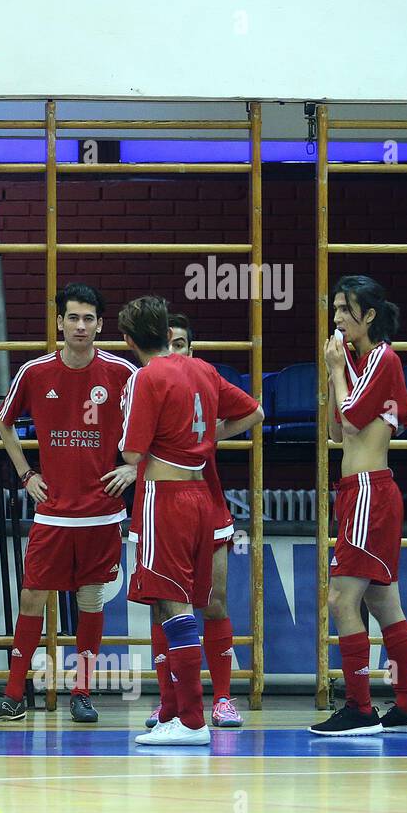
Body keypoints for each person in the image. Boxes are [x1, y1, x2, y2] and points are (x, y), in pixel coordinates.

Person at [0, 284, 135, 724]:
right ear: (59, 321)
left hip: (103, 512)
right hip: (53, 512)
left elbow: (153, 426)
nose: (80, 326)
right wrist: (27, 474)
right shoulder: (35, 372)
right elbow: (4, 424)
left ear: (101, 325)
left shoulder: (123, 373)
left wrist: (133, 468)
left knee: (90, 598)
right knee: (31, 596)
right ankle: (13, 695)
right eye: (73, 318)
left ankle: (82, 690)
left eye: (89, 319)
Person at [312, 275, 407, 735]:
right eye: (336, 310)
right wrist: (333, 373)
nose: (339, 318)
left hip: (368, 490)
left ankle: (360, 708)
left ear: (370, 315)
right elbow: (335, 432)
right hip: (361, 491)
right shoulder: (362, 364)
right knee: (384, 603)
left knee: (341, 599)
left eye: (347, 309)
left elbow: (354, 416)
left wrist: (339, 372)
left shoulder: (383, 358)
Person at [136, 312, 263, 729]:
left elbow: (253, 413)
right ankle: (170, 701)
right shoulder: (146, 383)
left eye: (181, 344)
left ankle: (222, 698)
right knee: (162, 605)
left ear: (191, 349)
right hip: (159, 502)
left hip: (205, 501)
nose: (173, 352)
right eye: (167, 343)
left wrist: (208, 435)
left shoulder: (201, 379)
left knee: (212, 602)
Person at [118, 295, 233, 746]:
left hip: (164, 496)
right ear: (169, 333)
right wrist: (201, 442)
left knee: (172, 603)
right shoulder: (202, 369)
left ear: (128, 340)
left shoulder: (147, 377)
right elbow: (254, 411)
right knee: (187, 602)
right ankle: (182, 713)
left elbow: (131, 453)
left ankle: (190, 721)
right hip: (203, 493)